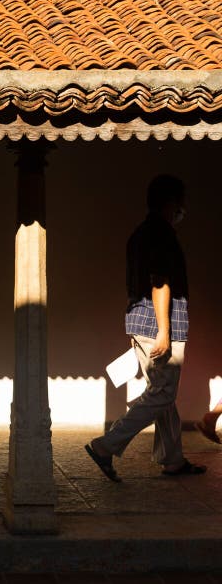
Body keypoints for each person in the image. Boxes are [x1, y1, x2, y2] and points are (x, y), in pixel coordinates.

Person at [85, 174, 206, 482]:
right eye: (181, 202)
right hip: (159, 324)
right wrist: (164, 330)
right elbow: (160, 282)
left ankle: (172, 459)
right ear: (172, 202)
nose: (183, 208)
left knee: (162, 393)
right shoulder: (162, 234)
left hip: (140, 321)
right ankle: (105, 446)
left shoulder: (138, 234)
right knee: (162, 394)